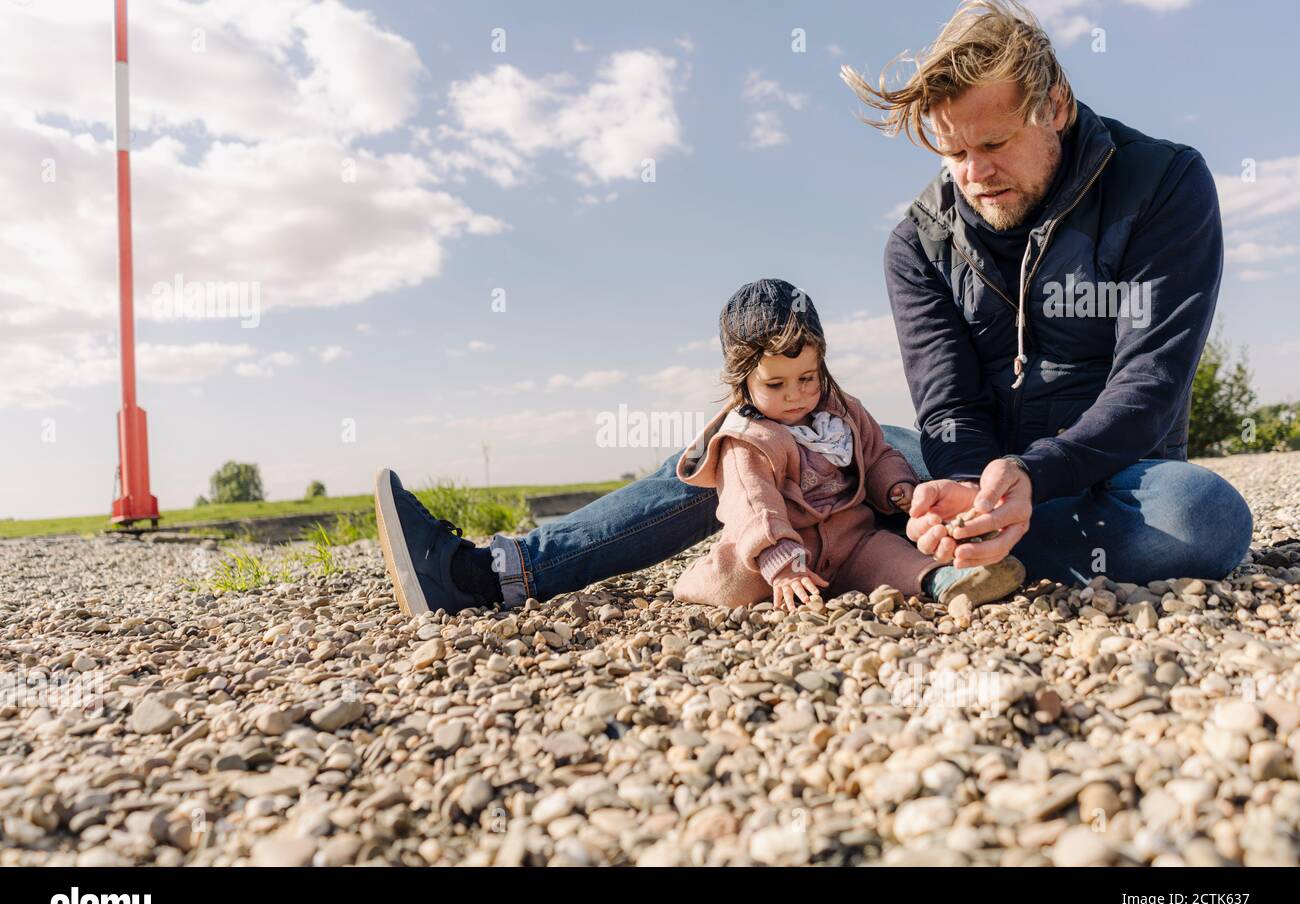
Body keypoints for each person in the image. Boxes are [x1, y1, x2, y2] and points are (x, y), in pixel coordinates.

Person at [372, 0, 1253, 619]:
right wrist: (958, 493)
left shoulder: (1164, 184)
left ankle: (854, 532)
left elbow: (1149, 389)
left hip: (1113, 479)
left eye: (994, 143)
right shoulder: (917, 240)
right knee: (767, 432)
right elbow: (947, 405)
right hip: (958, 475)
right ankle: (501, 570)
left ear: (1054, 105)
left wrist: (1033, 478)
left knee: (1207, 518)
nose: (975, 174)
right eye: (954, 155)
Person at [669, 279, 1024, 612]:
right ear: (742, 382)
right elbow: (753, 506)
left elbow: (876, 456)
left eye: (807, 378)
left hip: (850, 541)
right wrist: (784, 564)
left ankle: (944, 580)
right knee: (736, 586)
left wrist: (897, 486)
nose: (795, 395)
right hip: (780, 550)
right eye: (775, 385)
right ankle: (692, 583)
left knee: (889, 554)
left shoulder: (844, 412)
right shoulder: (746, 440)